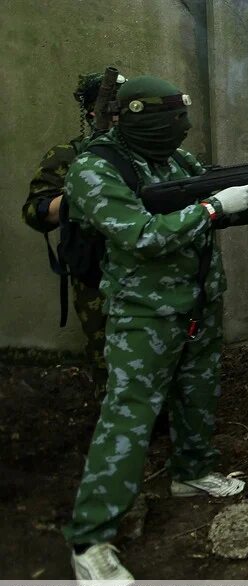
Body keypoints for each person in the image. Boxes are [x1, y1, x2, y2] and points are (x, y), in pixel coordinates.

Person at [60, 75, 248, 586]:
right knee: (129, 416)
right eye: (170, 119)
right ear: (135, 117)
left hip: (197, 300)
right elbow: (141, 234)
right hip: (143, 312)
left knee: (198, 394)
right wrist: (215, 206)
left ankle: (192, 472)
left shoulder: (177, 159)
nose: (181, 128)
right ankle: (90, 538)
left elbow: (220, 205)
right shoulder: (95, 168)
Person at [21, 71, 126, 401]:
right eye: (113, 105)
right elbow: (35, 212)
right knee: (106, 353)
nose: (120, 112)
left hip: (142, 263)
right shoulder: (68, 155)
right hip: (95, 272)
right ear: (93, 111)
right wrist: (79, 194)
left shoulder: (141, 152)